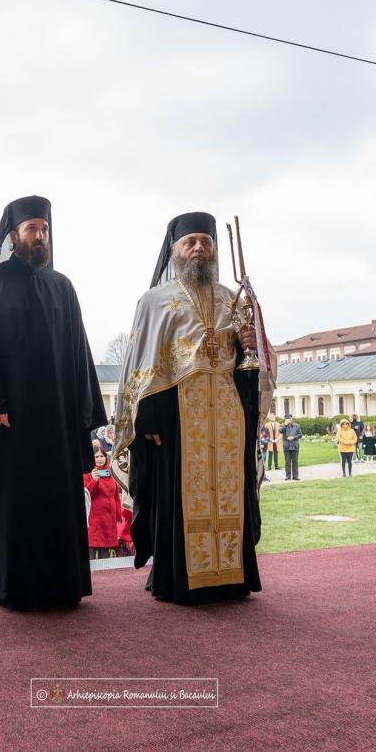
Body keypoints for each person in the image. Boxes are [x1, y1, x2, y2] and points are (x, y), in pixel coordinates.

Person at [0, 195, 107, 610]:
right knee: (14, 504)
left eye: (44, 230)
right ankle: (11, 585)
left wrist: (83, 412)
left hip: (56, 420)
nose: (40, 237)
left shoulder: (63, 286)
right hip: (11, 421)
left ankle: (63, 583)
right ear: (13, 236)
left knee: (58, 501)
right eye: (32, 230)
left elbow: (79, 352)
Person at [113, 212, 270, 605]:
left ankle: (232, 578)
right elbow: (142, 364)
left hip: (228, 417)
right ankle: (177, 579)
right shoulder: (155, 301)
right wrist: (147, 417)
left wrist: (251, 343)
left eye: (206, 241)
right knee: (180, 499)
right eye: (191, 242)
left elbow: (248, 362)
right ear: (175, 250)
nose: (199, 248)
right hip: (177, 420)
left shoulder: (231, 298)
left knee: (229, 493)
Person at [83, 448, 123, 560]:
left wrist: (117, 513)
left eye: (102, 456)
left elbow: (116, 496)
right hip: (94, 518)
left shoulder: (111, 472)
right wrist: (94, 481)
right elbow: (85, 494)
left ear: (106, 458)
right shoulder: (87, 473)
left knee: (105, 551)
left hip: (109, 518)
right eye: (96, 457)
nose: (100, 459)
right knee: (92, 548)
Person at [280, 414, 302, 481]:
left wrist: (293, 437)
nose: (289, 420)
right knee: (287, 462)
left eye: (290, 418)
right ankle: (288, 476)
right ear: (285, 419)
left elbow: (300, 434)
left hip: (295, 446)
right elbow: (280, 431)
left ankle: (295, 476)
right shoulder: (282, 425)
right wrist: (285, 424)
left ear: (292, 419)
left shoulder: (296, 426)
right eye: (287, 419)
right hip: (286, 446)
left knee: (295, 461)